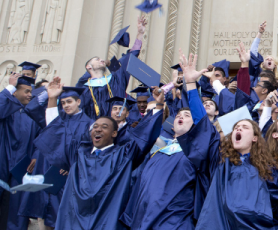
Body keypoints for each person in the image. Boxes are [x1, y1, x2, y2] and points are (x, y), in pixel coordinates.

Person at [121, 51, 221, 230]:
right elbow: (142, 139)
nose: (181, 116)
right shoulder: (159, 146)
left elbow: (203, 124)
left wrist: (190, 84)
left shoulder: (196, 151)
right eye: (179, 115)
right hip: (143, 217)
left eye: (187, 115)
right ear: (172, 125)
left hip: (174, 221)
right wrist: (159, 105)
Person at [33, 94, 163, 229]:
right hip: (74, 219)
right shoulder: (77, 153)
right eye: (95, 126)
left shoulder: (124, 155)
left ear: (114, 133)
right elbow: (56, 133)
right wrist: (53, 98)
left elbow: (145, 136)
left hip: (106, 219)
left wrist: (159, 105)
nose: (98, 129)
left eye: (104, 126)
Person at [19, 80, 92, 229]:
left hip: (70, 177)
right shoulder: (60, 120)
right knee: (44, 215)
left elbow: (89, 152)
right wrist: (51, 96)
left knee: (63, 216)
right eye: (63, 102)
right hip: (50, 173)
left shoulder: (90, 124)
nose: (66, 105)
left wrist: (73, 165)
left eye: (69, 102)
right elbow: (44, 114)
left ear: (79, 101)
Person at [194, 117, 278, 229]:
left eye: (245, 127)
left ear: (255, 138)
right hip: (221, 224)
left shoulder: (265, 169)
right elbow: (204, 126)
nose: (239, 129)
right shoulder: (219, 160)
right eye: (236, 128)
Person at [76, 16, 145, 119]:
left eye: (101, 59)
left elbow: (130, 57)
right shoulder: (85, 89)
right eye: (97, 59)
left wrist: (140, 33)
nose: (101, 60)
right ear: (88, 67)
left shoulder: (116, 80)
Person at [0, 74, 42, 230]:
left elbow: (42, 139)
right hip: (2, 164)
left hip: (21, 170)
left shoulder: (33, 115)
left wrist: (36, 156)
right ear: (14, 93)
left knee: (15, 212)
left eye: (30, 91)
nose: (30, 95)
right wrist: (9, 87)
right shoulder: (5, 112)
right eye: (26, 91)